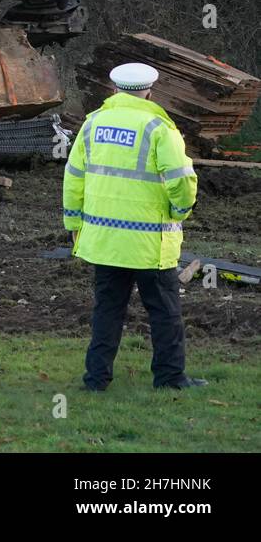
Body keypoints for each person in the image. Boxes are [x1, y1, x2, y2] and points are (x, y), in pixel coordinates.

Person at [62, 61, 204, 390]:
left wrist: (73, 220)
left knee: (107, 311)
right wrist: (181, 211)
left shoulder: (93, 123)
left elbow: (73, 176)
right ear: (149, 92)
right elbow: (181, 180)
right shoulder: (159, 127)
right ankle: (169, 379)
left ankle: (96, 380)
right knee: (164, 312)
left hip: (105, 241)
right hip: (149, 245)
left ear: (114, 90)